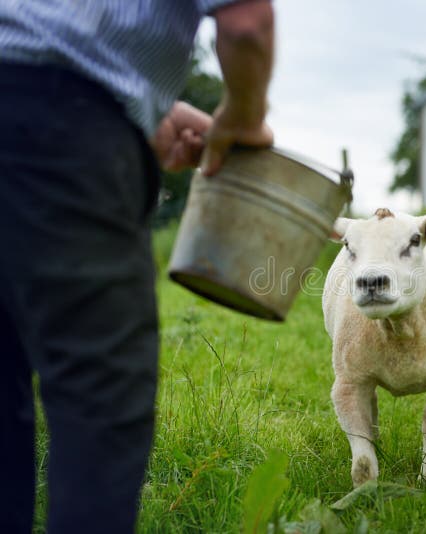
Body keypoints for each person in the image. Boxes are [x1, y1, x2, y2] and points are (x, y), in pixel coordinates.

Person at [0, 1, 274, 532]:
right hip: (65, 142)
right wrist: (242, 118)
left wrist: (151, 111)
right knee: (96, 406)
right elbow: (247, 25)